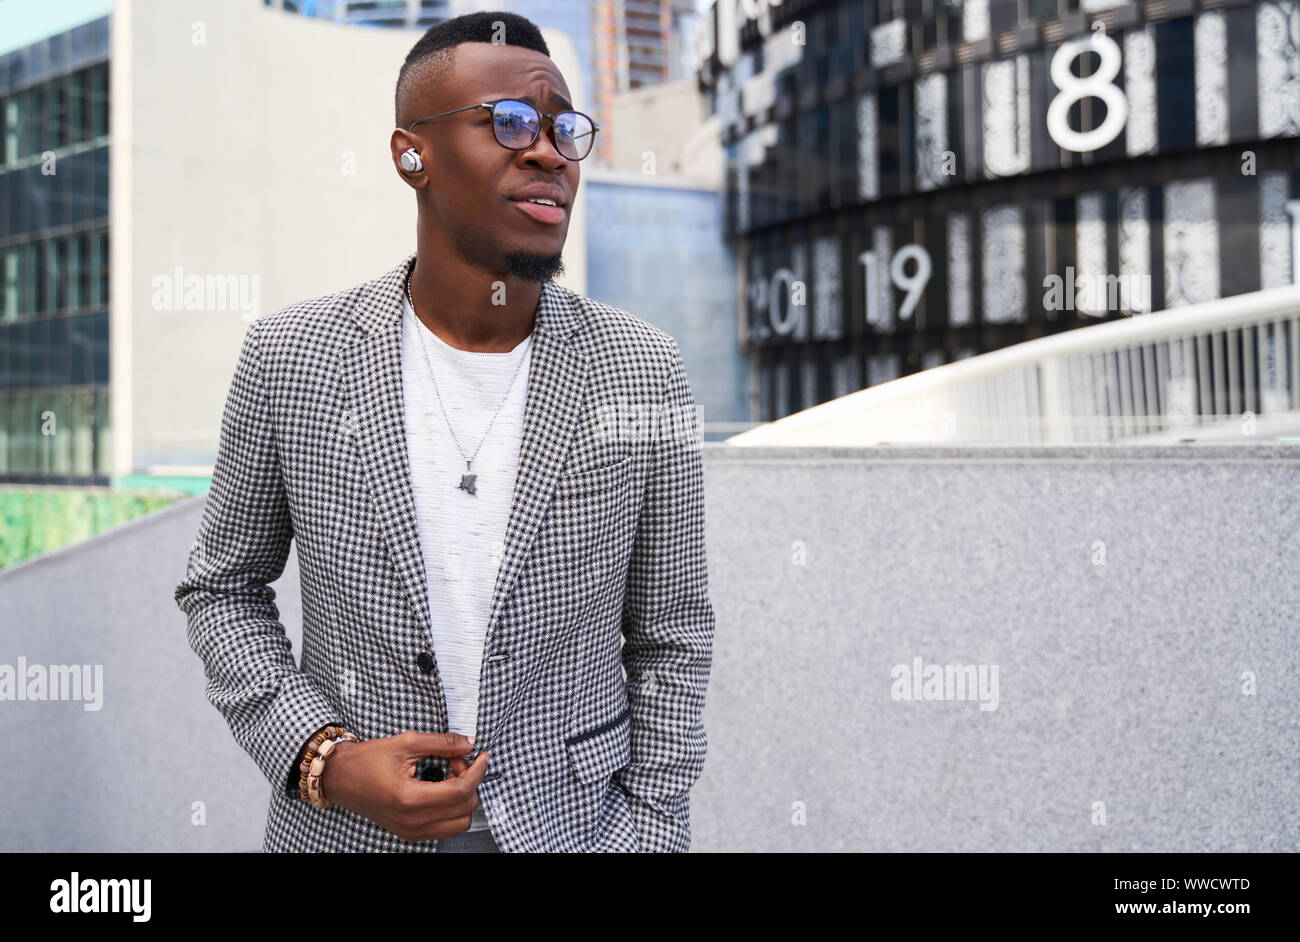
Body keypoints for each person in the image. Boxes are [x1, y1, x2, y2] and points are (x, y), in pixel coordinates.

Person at [173, 10, 714, 853]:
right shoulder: (290, 357)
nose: (547, 152)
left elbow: (673, 632)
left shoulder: (643, 368)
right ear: (411, 154)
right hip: (346, 834)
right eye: (506, 122)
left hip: (576, 831)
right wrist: (326, 759)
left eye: (564, 129)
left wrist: (648, 829)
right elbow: (221, 590)